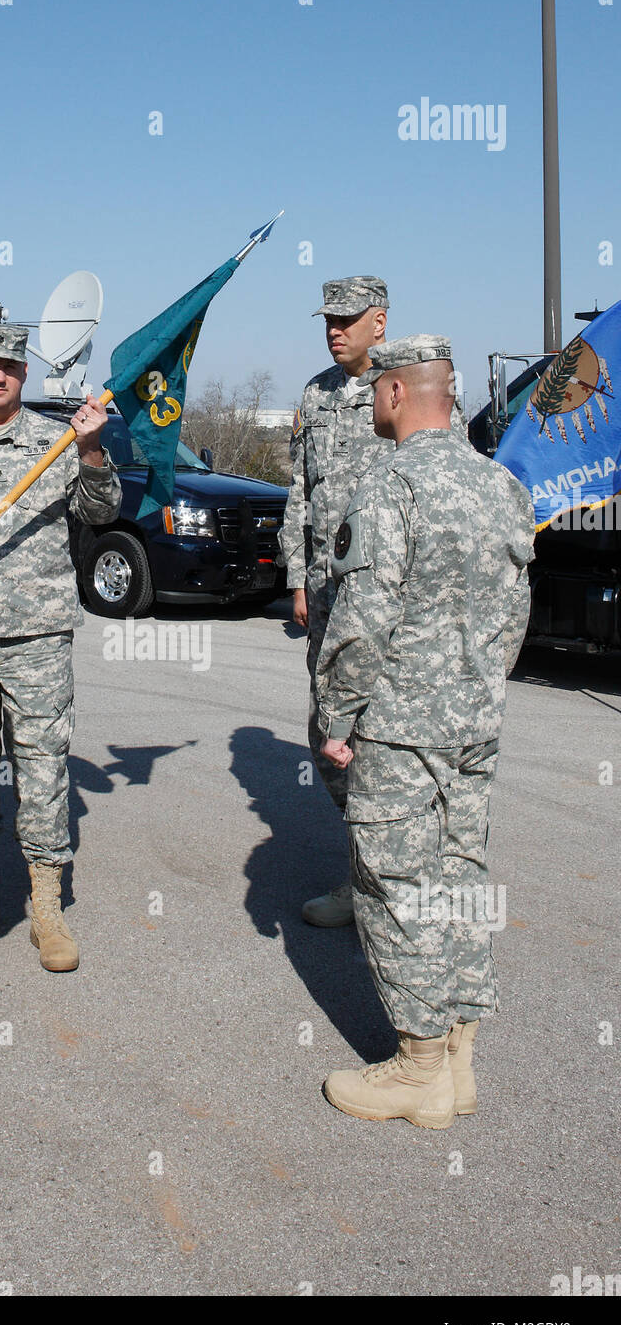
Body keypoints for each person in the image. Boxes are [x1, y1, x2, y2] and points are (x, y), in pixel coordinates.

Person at [314, 335, 536, 1128]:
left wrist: (338, 716)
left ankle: (418, 1070)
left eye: (378, 389)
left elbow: (361, 624)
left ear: (400, 393)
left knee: (397, 885)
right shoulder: (500, 484)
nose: (372, 400)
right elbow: (517, 615)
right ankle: (460, 1064)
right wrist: (478, 686)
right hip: (474, 721)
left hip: (401, 726)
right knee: (460, 877)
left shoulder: (390, 487)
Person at [0, 321, 121, 970]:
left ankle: (47, 907)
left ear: (24, 372)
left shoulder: (57, 439)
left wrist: (92, 452)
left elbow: (102, 513)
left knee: (43, 769)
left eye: (10, 366)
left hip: (38, 635)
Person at [279, 276, 394, 928]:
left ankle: (385, 886)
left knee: (382, 735)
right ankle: (363, 872)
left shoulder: (406, 385)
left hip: (383, 596)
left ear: (380, 321)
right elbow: (299, 488)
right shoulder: (316, 394)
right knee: (331, 733)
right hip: (324, 593)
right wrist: (297, 577)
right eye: (329, 318)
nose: (335, 328)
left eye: (349, 318)